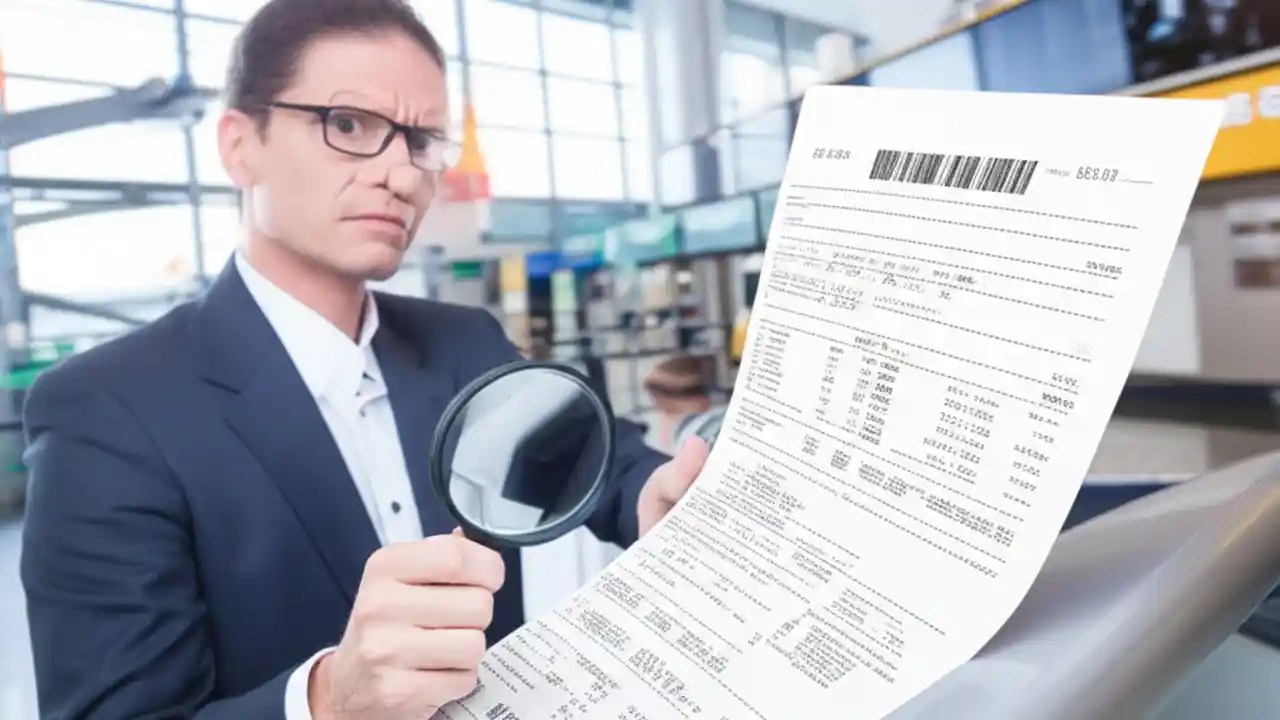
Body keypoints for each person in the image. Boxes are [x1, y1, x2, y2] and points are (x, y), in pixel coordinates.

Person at [18, 1, 709, 718]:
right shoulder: (109, 408)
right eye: (348, 126)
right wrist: (327, 701)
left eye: (421, 140)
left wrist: (649, 494)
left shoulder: (463, 341)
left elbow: (588, 463)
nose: (402, 175)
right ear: (239, 144)